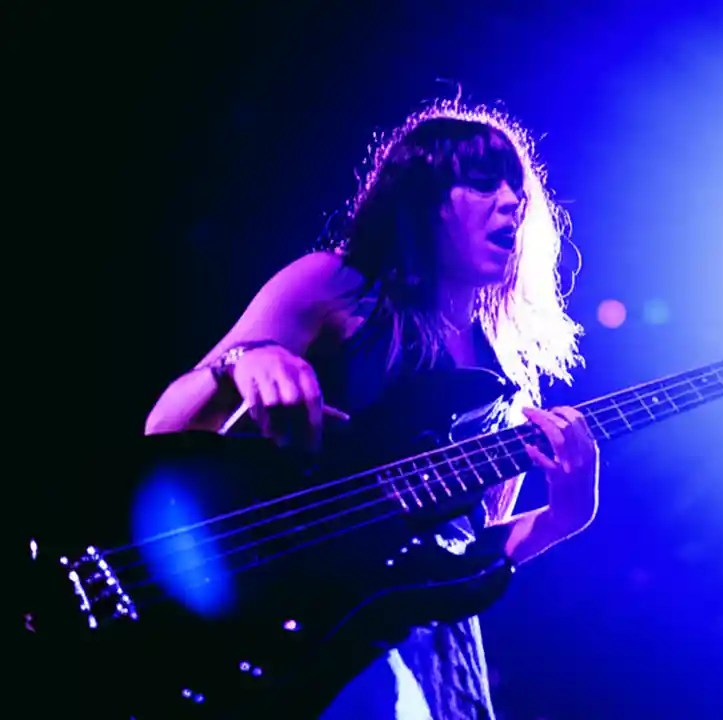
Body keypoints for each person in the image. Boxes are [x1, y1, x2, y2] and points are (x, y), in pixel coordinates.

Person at [143, 98, 598, 719]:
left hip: (435, 653)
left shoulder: (503, 382)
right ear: (424, 198)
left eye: (518, 189)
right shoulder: (332, 286)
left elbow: (466, 551)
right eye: (483, 182)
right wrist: (241, 363)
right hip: (308, 626)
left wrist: (566, 512)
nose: (514, 202)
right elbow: (166, 426)